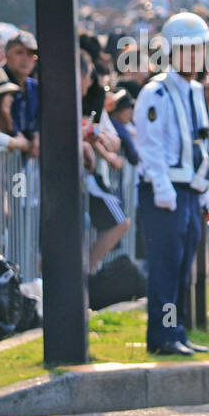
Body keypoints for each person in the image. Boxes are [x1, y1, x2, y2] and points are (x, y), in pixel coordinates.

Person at [133, 12, 209, 355]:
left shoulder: (194, 89)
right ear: (171, 51)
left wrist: (202, 185)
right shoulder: (157, 92)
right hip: (164, 193)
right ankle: (163, 335)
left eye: (199, 48)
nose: (193, 56)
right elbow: (150, 146)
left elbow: (198, 140)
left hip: (189, 190)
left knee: (182, 267)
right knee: (165, 267)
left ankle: (176, 331)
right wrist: (164, 189)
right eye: (186, 49)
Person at [80, 51, 129, 273]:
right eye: (89, 75)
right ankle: (84, 274)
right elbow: (88, 134)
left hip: (89, 177)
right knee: (120, 222)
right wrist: (105, 151)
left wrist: (99, 140)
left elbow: (114, 141)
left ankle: (84, 274)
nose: (90, 82)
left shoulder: (95, 100)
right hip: (85, 179)